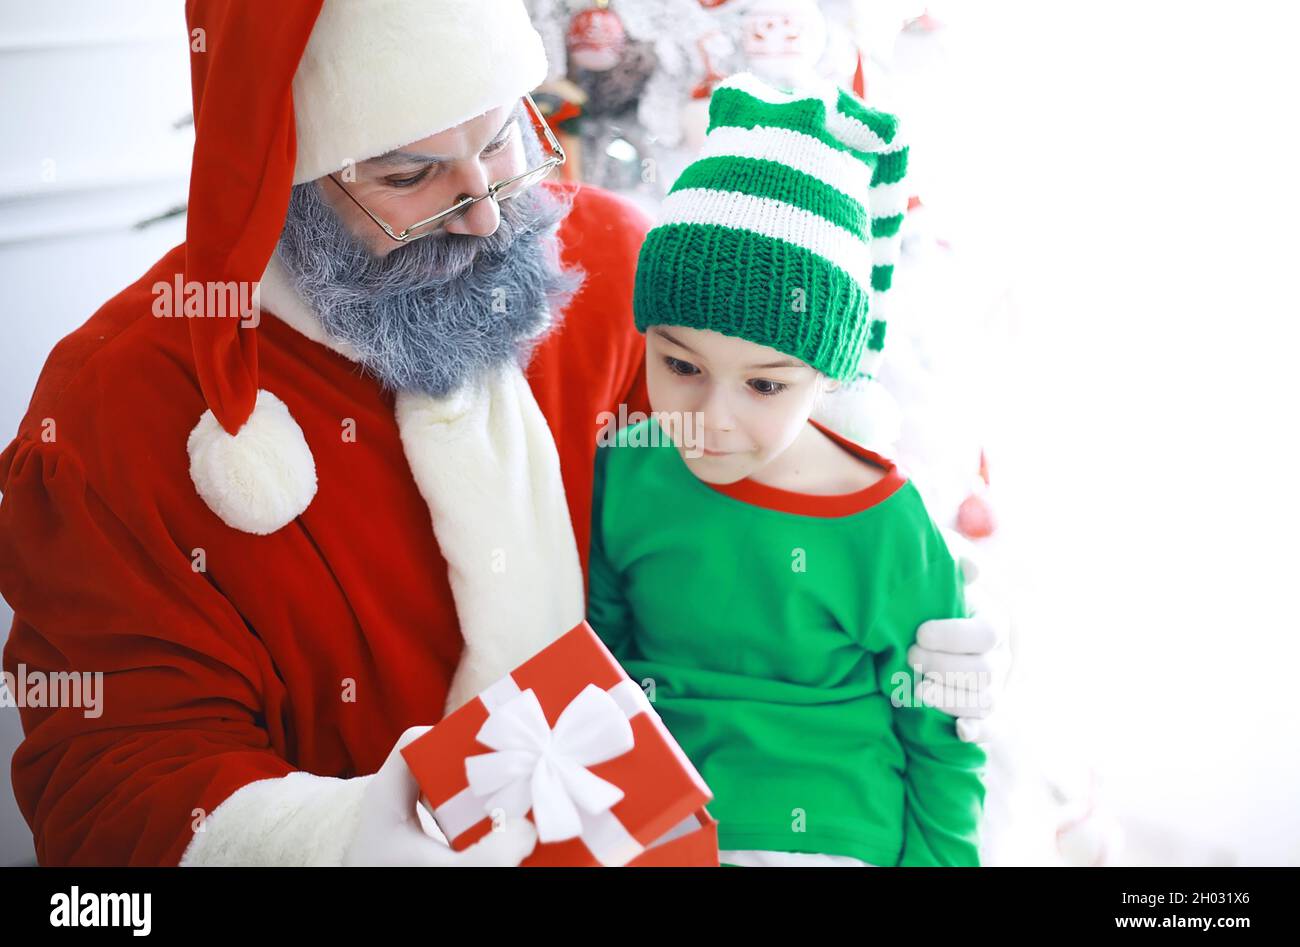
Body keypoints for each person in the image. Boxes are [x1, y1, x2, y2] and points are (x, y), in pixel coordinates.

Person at [0, 1, 1004, 867]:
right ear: (284, 179)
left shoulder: (614, 272)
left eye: (502, 143)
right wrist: (346, 835)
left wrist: (912, 634)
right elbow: (111, 774)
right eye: (407, 176)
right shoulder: (119, 407)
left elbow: (729, 538)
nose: (484, 215)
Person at [587, 73, 985, 866]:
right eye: (680, 364)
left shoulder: (888, 524)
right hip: (659, 827)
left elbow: (944, 740)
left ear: (827, 377)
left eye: (765, 384)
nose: (713, 417)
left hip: (838, 835)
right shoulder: (627, 475)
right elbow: (601, 670)